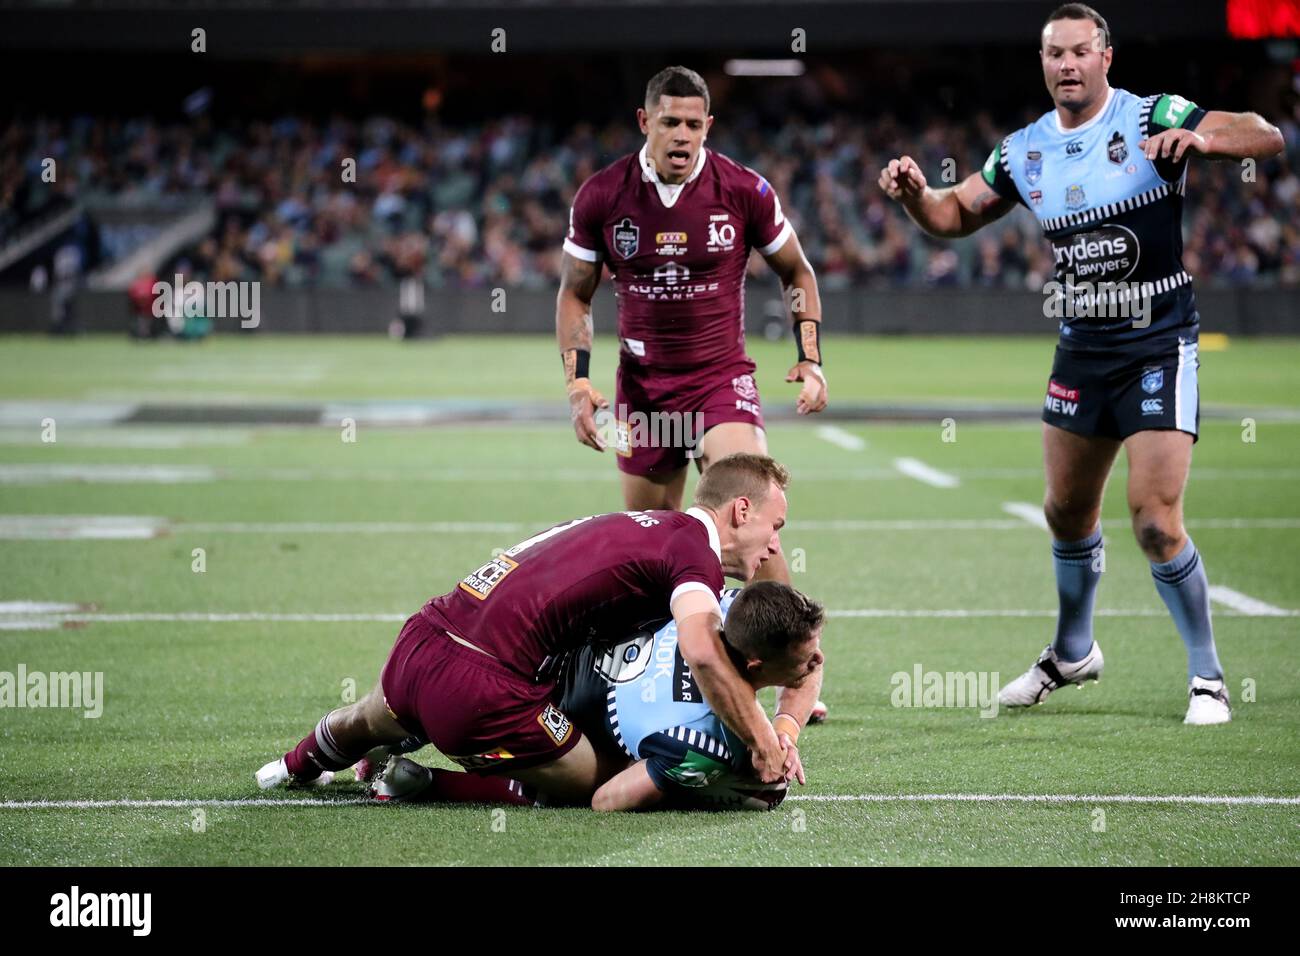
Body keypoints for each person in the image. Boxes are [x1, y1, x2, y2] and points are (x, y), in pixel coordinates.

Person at [878, 3, 1284, 724]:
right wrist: (916, 196)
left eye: (1079, 52)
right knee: (1065, 513)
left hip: (1159, 342)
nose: (1066, 65)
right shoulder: (1023, 151)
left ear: (1105, 58)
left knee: (1154, 519)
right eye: (1054, 54)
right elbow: (954, 215)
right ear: (1043, 64)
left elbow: (1266, 132)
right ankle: (1072, 652)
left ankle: (1208, 677)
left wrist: (1202, 138)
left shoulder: (1151, 114)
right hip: (1082, 349)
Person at [256, 454, 819, 803]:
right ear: (740, 511)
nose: (775, 545)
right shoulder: (691, 550)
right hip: (483, 690)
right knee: (598, 779)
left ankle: (293, 765)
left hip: (426, 637)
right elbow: (701, 653)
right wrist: (765, 744)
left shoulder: (639, 525)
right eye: (776, 526)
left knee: (364, 719)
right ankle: (426, 783)